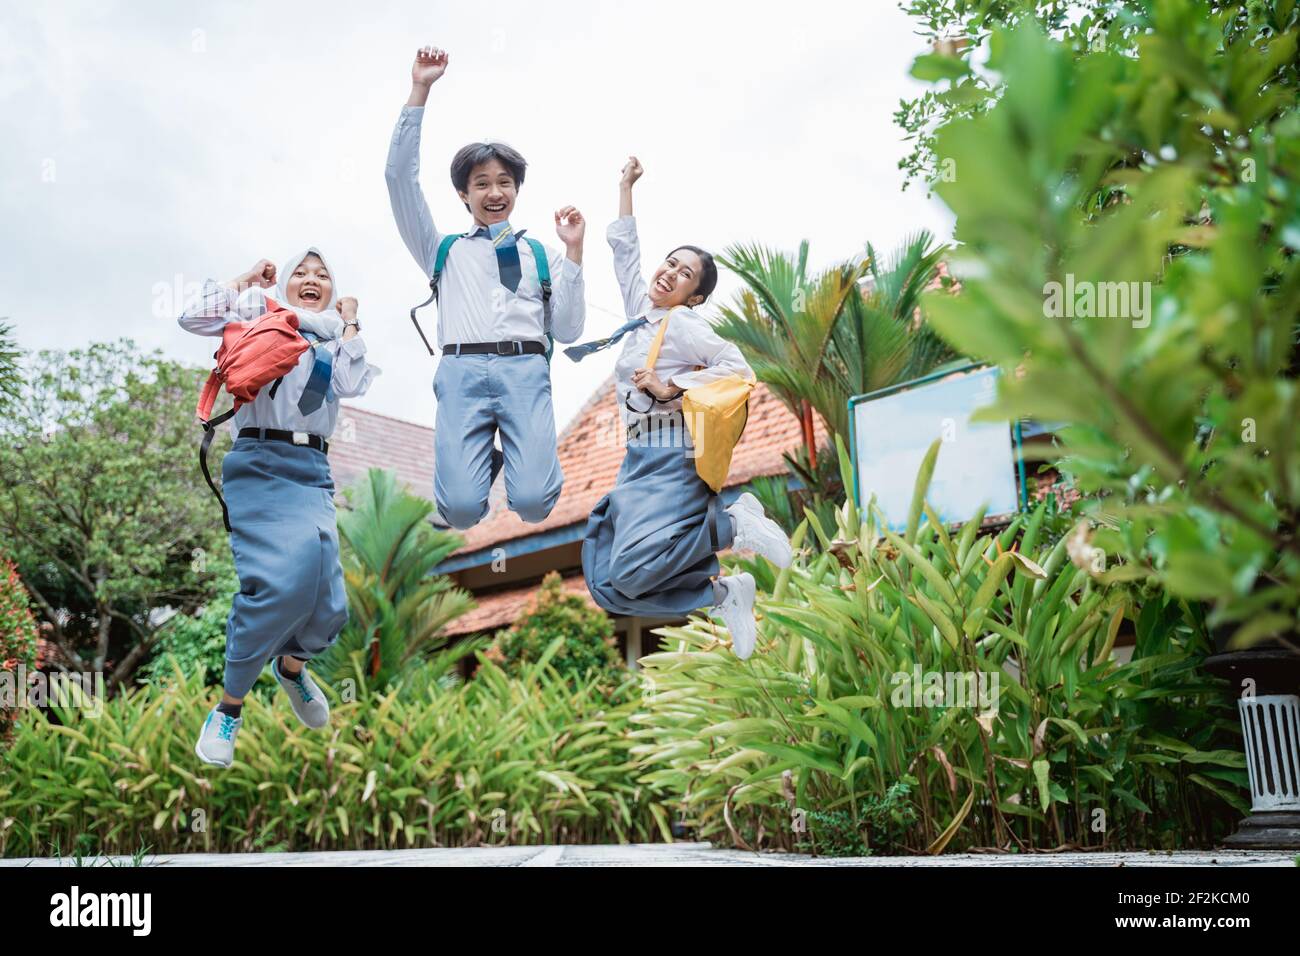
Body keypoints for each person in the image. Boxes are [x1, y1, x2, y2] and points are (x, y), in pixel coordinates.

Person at [571, 157, 791, 659]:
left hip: (675, 455)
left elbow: (736, 369)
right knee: (611, 583)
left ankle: (734, 525)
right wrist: (625, 187)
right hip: (639, 460)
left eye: (685, 273)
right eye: (670, 263)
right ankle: (723, 594)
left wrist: (672, 387)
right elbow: (625, 253)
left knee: (629, 568)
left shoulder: (684, 326)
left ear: (695, 297)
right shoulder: (641, 315)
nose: (670, 273)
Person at [178, 249, 379, 767]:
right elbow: (192, 316)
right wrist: (245, 278)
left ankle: (290, 669)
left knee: (330, 603)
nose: (312, 281)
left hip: (312, 471)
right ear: (285, 284)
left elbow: (353, 384)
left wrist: (351, 322)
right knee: (281, 585)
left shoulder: (335, 335)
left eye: (323, 275)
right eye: (301, 274)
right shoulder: (258, 313)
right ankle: (228, 707)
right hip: (260, 463)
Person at [385, 44, 587, 530]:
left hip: (524, 370)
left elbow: (570, 329)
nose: (494, 193)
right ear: (464, 193)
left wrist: (576, 252)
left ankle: (515, 456)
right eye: (481, 184)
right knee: (457, 512)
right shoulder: (442, 249)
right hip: (462, 371)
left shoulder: (542, 254)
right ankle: (482, 458)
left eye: (503, 183)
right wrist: (420, 90)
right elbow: (398, 180)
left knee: (536, 503)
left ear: (516, 190)